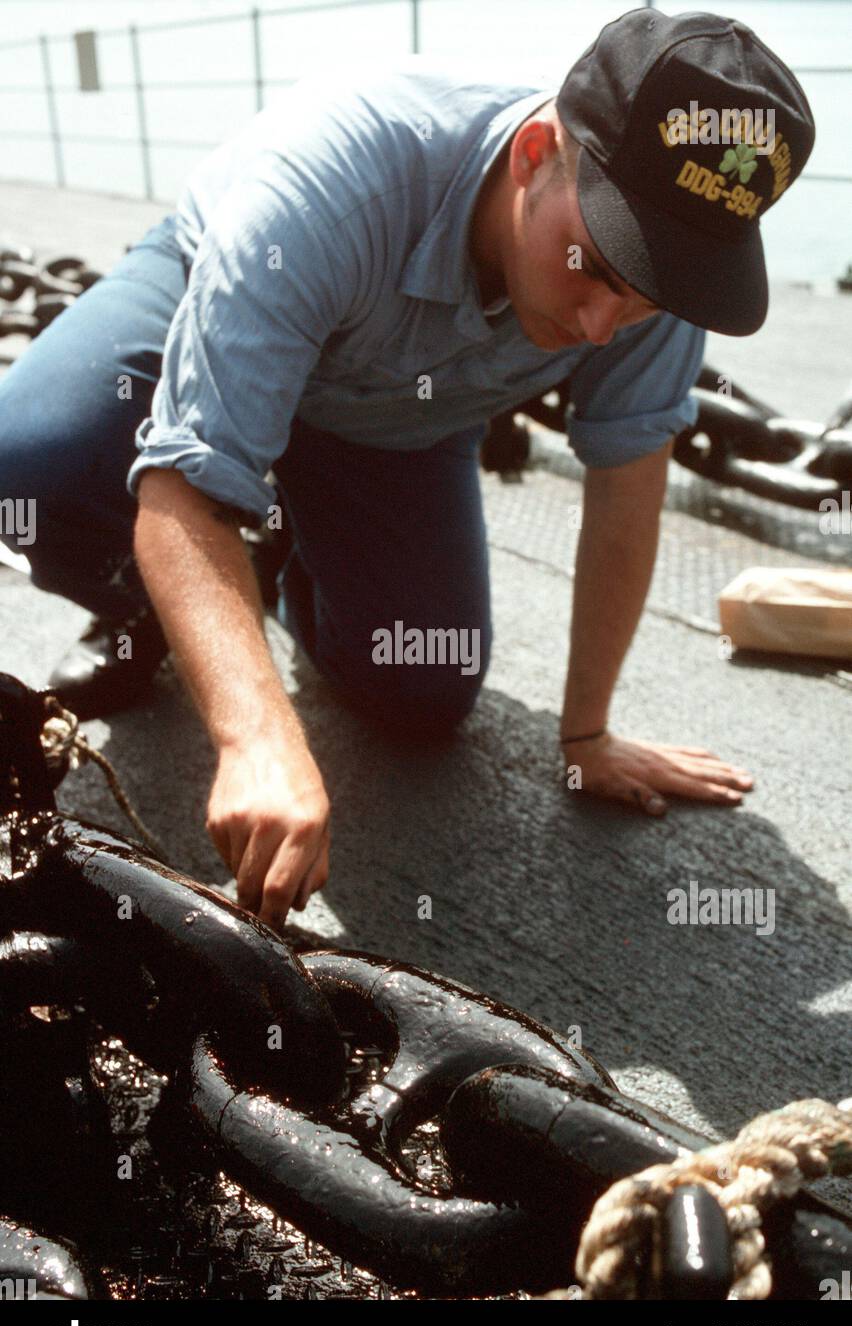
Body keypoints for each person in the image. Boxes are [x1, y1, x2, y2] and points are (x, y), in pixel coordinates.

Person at [0, 9, 815, 928]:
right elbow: (183, 485)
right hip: (221, 300)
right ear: (536, 152)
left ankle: (268, 553)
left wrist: (586, 736)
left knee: (421, 691)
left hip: (396, 414)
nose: (600, 327)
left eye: (641, 295)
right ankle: (150, 612)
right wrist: (255, 732)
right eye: (593, 265)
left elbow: (627, 484)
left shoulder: (656, 286)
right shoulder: (330, 184)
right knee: (28, 465)